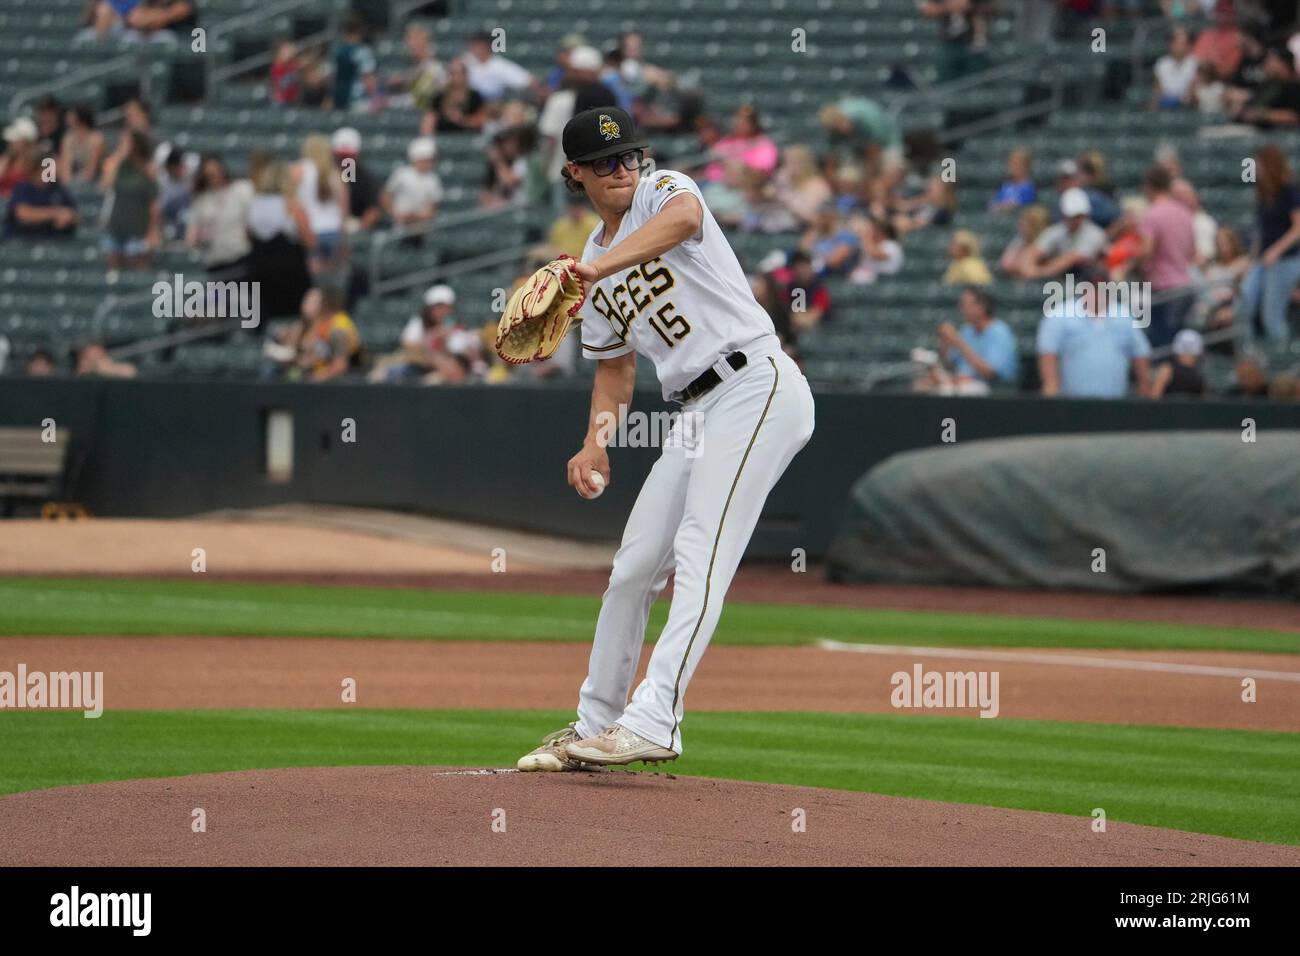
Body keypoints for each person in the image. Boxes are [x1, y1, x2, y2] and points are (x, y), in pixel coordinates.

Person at [516, 106, 815, 771]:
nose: (622, 169)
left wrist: (596, 271)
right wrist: (596, 442)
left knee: (700, 551)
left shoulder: (663, 192)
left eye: (630, 157)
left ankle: (655, 720)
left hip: (756, 381)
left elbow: (685, 221)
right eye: (605, 162)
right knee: (632, 570)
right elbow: (616, 374)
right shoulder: (590, 266)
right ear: (575, 174)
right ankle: (595, 724)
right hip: (695, 410)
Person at [1037, 282, 1152, 399]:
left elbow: (1140, 352)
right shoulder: (1060, 315)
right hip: (1071, 404)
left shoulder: (1124, 316)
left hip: (1115, 405)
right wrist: (1051, 388)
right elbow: (1048, 353)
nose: (1098, 294)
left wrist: (1144, 386)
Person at [1235, 144, 1300, 345]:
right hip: (1262, 260)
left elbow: (1298, 228)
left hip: (1284, 260)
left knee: (1272, 316)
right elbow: (1262, 232)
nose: (1256, 169)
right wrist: (1250, 261)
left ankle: (1283, 361)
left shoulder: (1289, 190)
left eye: (1259, 165)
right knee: (1243, 303)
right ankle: (1248, 355)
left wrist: (1276, 250)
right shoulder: (1263, 193)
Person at [1138, 166, 1196, 349]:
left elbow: (1146, 252)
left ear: (1149, 187)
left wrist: (1134, 265)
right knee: (1178, 343)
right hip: (1185, 285)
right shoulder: (1184, 212)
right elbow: (1191, 251)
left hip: (1164, 289)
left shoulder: (1152, 214)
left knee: (1162, 345)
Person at [925, 286, 1018, 394]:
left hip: (992, 388)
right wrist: (945, 343)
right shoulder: (967, 330)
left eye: (965, 305)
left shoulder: (1000, 332)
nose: (961, 310)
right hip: (962, 383)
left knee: (945, 392)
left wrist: (958, 342)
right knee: (923, 386)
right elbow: (950, 364)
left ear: (981, 307)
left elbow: (989, 373)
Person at [186, 155, 254, 281]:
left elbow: (253, 219)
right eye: (209, 174)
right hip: (216, 261)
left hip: (240, 258)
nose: (214, 177)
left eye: (216, 172)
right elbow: (191, 236)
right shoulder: (201, 200)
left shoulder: (241, 190)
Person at [100, 129, 159, 269]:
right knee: (113, 269)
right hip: (116, 226)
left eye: (127, 142)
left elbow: (154, 203)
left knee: (140, 268)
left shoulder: (148, 168)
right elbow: (106, 185)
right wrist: (120, 156)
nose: (123, 145)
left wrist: (153, 232)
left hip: (139, 228)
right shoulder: (115, 164)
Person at [1025, 188, 1107, 280]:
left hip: (1088, 282)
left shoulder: (1095, 234)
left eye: (1079, 216)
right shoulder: (1056, 231)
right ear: (1064, 215)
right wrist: (1029, 267)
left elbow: (1073, 258)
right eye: (1072, 216)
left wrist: (1039, 272)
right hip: (1063, 280)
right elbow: (1034, 252)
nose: (1076, 220)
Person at [294, 134, 347, 274]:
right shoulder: (336, 173)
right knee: (331, 282)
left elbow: (292, 205)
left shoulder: (298, 171)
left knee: (313, 281)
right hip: (333, 230)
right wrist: (343, 239)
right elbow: (343, 211)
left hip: (310, 231)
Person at [3, 151, 78, 239]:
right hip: (23, 241)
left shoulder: (58, 189)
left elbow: (75, 215)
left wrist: (68, 217)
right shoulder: (23, 187)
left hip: (53, 242)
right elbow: (23, 214)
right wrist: (56, 214)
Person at [382, 137, 442, 236]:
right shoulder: (401, 174)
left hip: (422, 229)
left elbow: (433, 207)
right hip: (399, 226)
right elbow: (386, 196)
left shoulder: (433, 180)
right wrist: (395, 213)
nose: (427, 163)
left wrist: (417, 217)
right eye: (425, 159)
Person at [331, 128, 382, 232]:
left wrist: (359, 226)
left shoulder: (366, 177)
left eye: (348, 157)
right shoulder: (324, 175)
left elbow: (374, 210)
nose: (345, 161)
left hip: (356, 228)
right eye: (341, 156)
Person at [461, 30, 535, 102]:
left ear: (487, 46)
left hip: (492, 103)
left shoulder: (499, 65)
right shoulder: (465, 62)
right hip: (469, 104)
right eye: (474, 44)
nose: (476, 48)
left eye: (479, 44)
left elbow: (527, 81)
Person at [425, 59, 487, 133]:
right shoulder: (439, 96)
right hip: (443, 134)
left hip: (468, 136)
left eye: (458, 73)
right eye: (452, 73)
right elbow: (430, 118)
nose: (455, 76)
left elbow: (481, 120)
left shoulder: (475, 96)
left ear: (465, 75)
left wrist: (462, 120)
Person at [331, 15, 377, 111]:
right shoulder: (363, 51)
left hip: (340, 99)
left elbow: (334, 79)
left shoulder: (338, 52)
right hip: (358, 100)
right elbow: (369, 79)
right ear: (359, 33)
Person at [1151, 329, 1207, 398]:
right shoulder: (1167, 371)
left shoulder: (1199, 375)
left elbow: (1204, 403)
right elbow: (1153, 399)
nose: (1187, 356)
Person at [1152, 27, 1198, 109]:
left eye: (1182, 43)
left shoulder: (1195, 63)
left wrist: (1184, 99)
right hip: (1166, 103)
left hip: (1187, 104)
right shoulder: (1162, 63)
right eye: (1175, 42)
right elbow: (1158, 89)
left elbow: (1193, 89)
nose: (1178, 46)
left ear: (1189, 46)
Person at [1000, 205, 1050, 278]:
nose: (1021, 225)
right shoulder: (1020, 239)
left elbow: (1026, 269)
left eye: (1026, 223)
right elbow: (1006, 264)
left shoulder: (1046, 239)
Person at [58, 105, 104, 183]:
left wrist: (78, 185)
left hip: (95, 180)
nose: (67, 118)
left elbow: (91, 171)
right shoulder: (68, 138)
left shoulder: (96, 139)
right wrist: (68, 184)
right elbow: (66, 166)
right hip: (73, 180)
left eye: (71, 115)